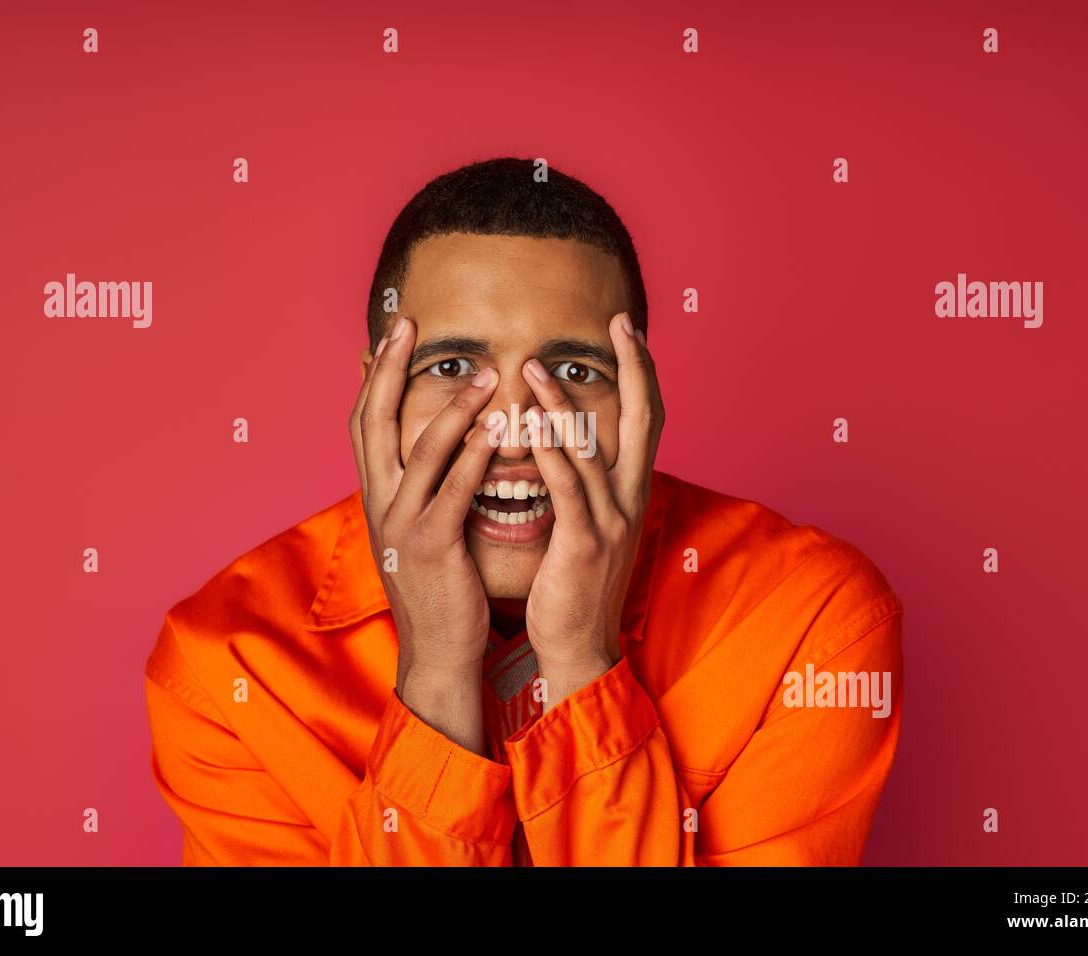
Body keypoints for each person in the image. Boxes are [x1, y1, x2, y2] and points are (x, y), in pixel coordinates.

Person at [144, 157, 905, 866]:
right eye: (452, 368)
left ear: (641, 396)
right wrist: (436, 672)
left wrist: (581, 660)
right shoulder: (227, 666)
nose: (515, 428)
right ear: (376, 395)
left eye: (574, 371)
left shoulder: (810, 624)